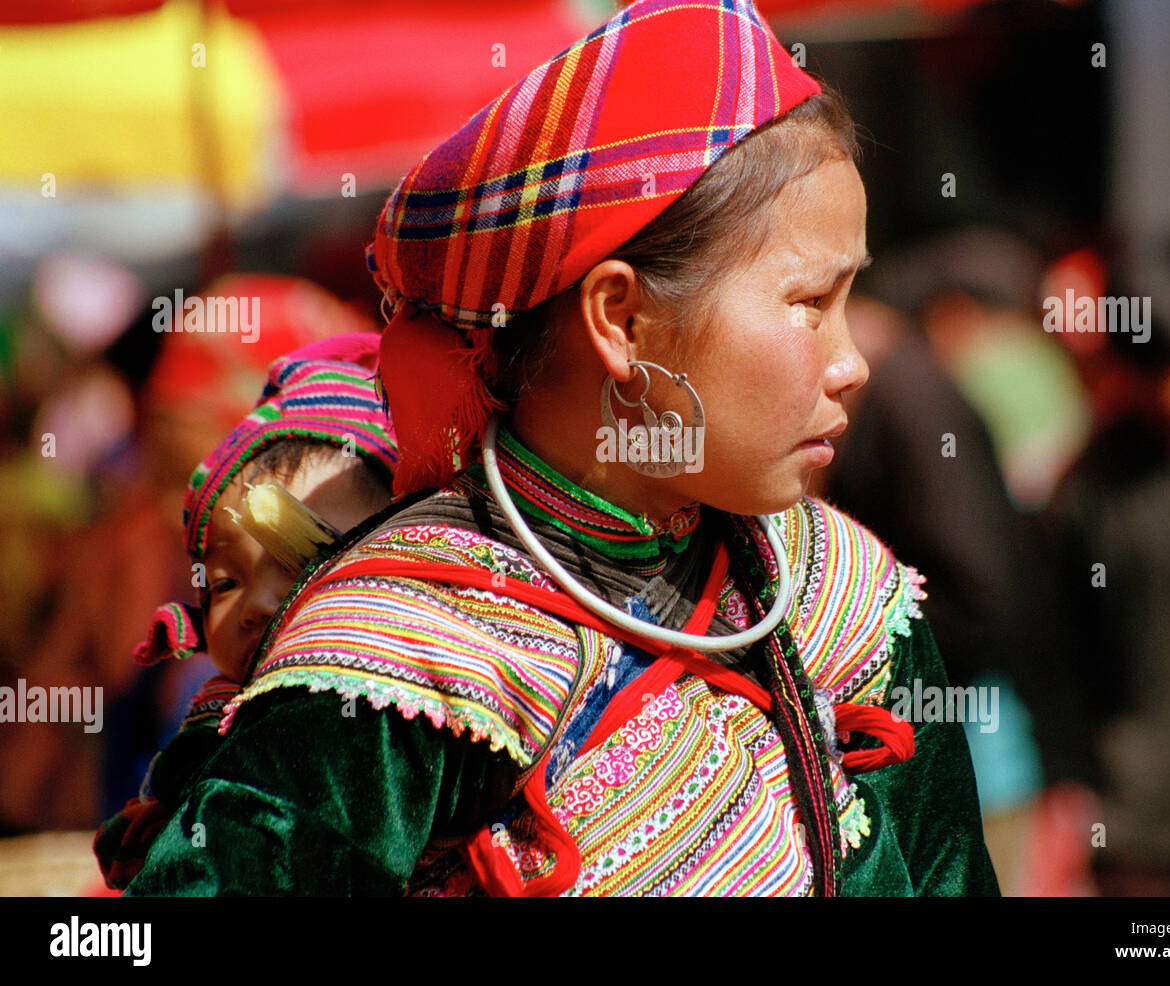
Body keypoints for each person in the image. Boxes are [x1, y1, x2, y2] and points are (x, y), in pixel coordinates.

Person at [128, 0, 998, 896]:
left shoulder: (839, 598)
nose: (852, 363)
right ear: (622, 320)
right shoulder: (403, 661)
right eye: (810, 304)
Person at [94, 333, 398, 889]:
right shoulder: (210, 722)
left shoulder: (385, 723)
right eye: (225, 581)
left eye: (297, 557)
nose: (255, 604)